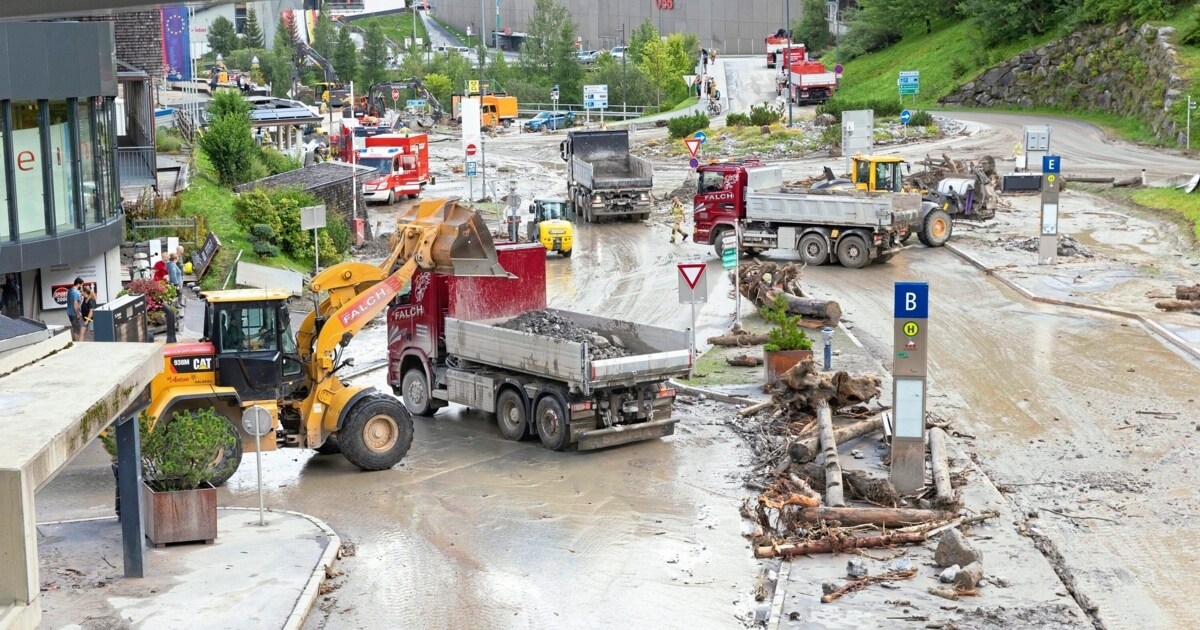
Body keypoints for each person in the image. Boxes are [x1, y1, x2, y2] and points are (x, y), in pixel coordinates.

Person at [66, 277, 84, 341]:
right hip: (74, 314)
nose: (82, 286)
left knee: (75, 328)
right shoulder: (75, 293)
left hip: (69, 312)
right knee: (76, 329)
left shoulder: (70, 290)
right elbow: (75, 304)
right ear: (78, 284)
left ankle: (75, 342)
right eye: (81, 284)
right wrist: (78, 314)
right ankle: (77, 345)